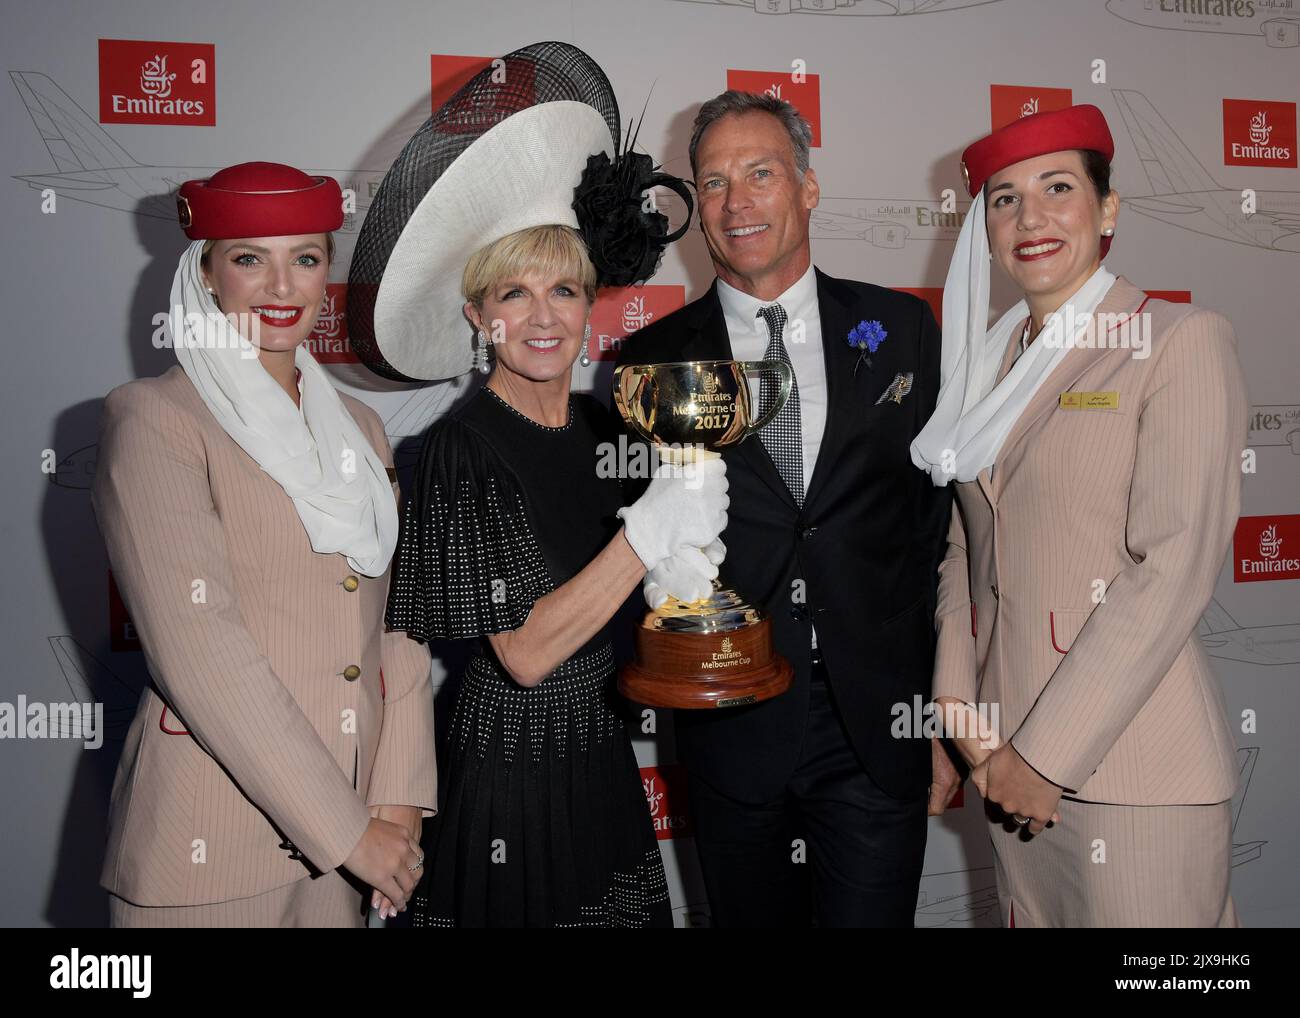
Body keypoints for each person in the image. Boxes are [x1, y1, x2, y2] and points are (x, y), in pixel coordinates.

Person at [348, 41, 723, 927]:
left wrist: (689, 565)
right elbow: (522, 651)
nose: (542, 317)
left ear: (592, 300)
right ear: (478, 316)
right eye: (512, 294)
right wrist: (650, 532)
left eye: (563, 288)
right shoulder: (458, 451)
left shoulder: (609, 429)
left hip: (600, 759)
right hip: (508, 773)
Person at [615, 90, 958, 927]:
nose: (738, 203)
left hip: (877, 732)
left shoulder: (903, 329)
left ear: (807, 188)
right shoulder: (650, 361)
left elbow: (932, 537)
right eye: (716, 182)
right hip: (731, 727)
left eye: (761, 174)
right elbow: (644, 555)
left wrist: (942, 712)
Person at [913, 105, 1245, 927]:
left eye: (1058, 188)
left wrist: (1044, 756)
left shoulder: (1176, 340)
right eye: (1004, 198)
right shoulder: (984, 366)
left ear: (1107, 210)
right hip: (1002, 762)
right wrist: (959, 715)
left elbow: (1173, 569)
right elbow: (964, 552)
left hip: (1128, 770)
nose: (1030, 218)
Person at [91, 161, 436, 927]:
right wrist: (348, 832)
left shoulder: (362, 427)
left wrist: (400, 796)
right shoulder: (154, 419)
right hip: (210, 844)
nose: (283, 287)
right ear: (208, 274)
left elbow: (395, 619)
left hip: (350, 843)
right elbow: (199, 650)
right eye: (251, 258)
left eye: (306, 258)